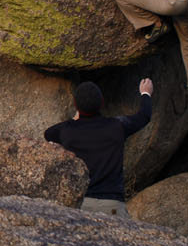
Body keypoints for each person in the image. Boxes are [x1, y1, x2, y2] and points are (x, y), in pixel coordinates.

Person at [44, 77, 153, 217]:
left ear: (76, 106)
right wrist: (146, 93)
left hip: (81, 203)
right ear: (102, 103)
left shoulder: (67, 131)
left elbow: (48, 134)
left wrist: (75, 119)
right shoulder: (117, 126)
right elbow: (144, 116)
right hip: (112, 203)